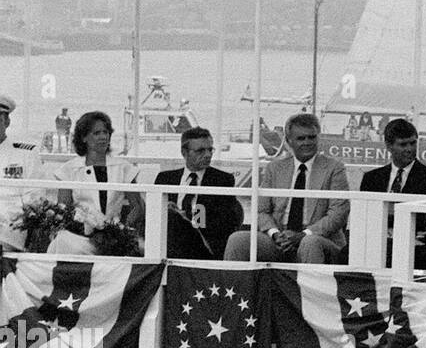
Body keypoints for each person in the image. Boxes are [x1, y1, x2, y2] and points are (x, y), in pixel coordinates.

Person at [224, 112, 349, 263]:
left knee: (309, 243)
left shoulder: (335, 168)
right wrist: (275, 234)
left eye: (312, 137)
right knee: (238, 240)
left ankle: (309, 287)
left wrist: (303, 235)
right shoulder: (275, 168)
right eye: (301, 138)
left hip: (318, 238)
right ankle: (235, 285)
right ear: (289, 141)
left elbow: (338, 214)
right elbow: (261, 210)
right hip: (280, 237)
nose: (307, 142)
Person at [48, 111, 144, 255]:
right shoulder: (69, 170)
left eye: (105, 132)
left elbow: (137, 207)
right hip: (79, 237)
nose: (103, 137)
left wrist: (122, 230)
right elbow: (63, 210)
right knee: (62, 242)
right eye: (96, 133)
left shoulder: (123, 167)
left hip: (115, 238)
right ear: (84, 137)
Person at [359, 118, 426, 269]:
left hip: (415, 243)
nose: (409, 149)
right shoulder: (371, 178)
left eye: (413, 143)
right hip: (376, 240)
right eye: (403, 144)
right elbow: (365, 216)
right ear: (389, 146)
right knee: (348, 253)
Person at [155, 127, 242, 260]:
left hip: (203, 243)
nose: (208, 155)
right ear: (184, 153)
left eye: (210, 149)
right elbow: (154, 216)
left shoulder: (223, 180)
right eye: (201, 150)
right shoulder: (165, 178)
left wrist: (187, 220)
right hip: (169, 241)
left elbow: (225, 222)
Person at [0, 94, 48, 251]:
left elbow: (35, 197)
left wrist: (10, 217)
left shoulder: (26, 153)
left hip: (10, 225)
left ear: (7, 122)